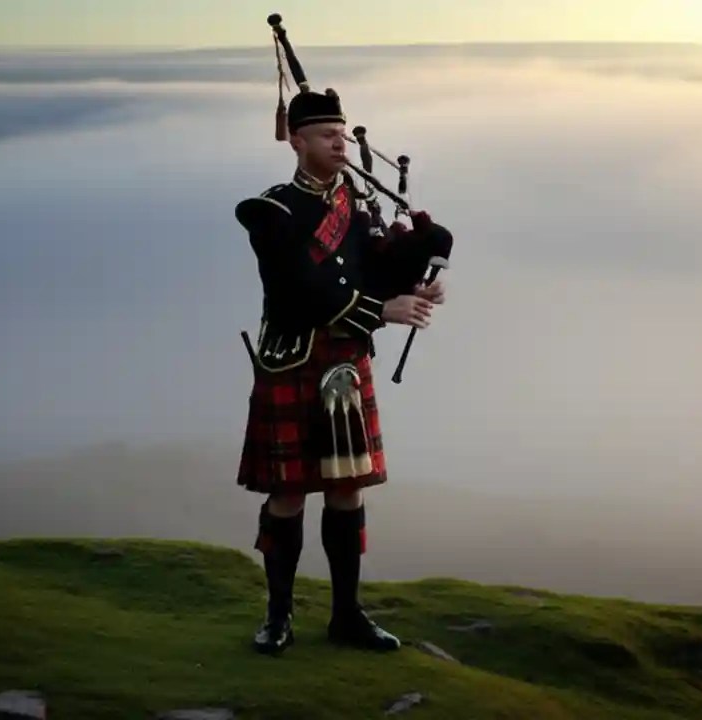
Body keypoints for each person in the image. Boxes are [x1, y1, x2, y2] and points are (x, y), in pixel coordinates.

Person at [233, 86, 451, 656]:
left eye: (342, 131)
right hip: (295, 357)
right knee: (288, 493)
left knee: (347, 490)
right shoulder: (271, 211)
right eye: (327, 134)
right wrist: (383, 310)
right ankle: (277, 617)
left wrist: (421, 269)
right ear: (296, 140)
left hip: (346, 364)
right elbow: (298, 289)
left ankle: (347, 616)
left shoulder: (356, 206)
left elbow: (374, 270)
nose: (339, 141)